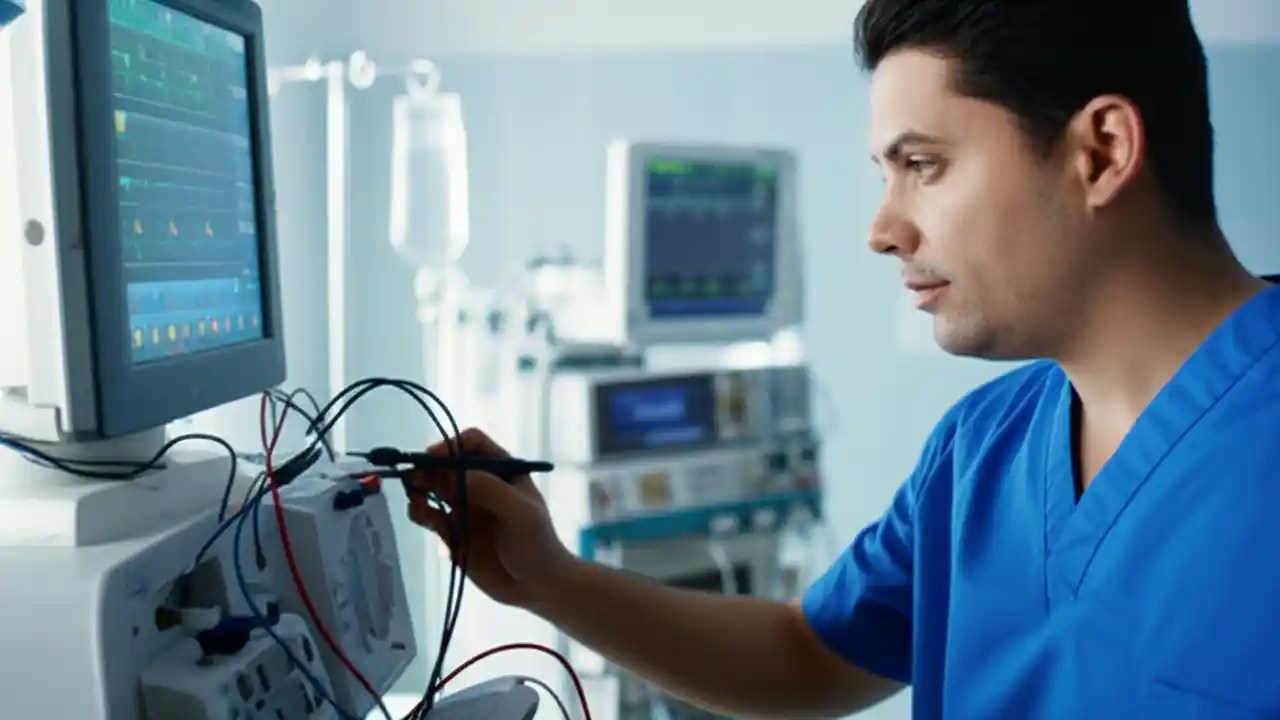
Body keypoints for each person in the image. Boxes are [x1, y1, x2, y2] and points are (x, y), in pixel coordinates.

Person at [408, 0, 1280, 716]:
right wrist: (549, 579)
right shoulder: (982, 450)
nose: (882, 230)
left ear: (1102, 153)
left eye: (923, 166)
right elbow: (807, 655)